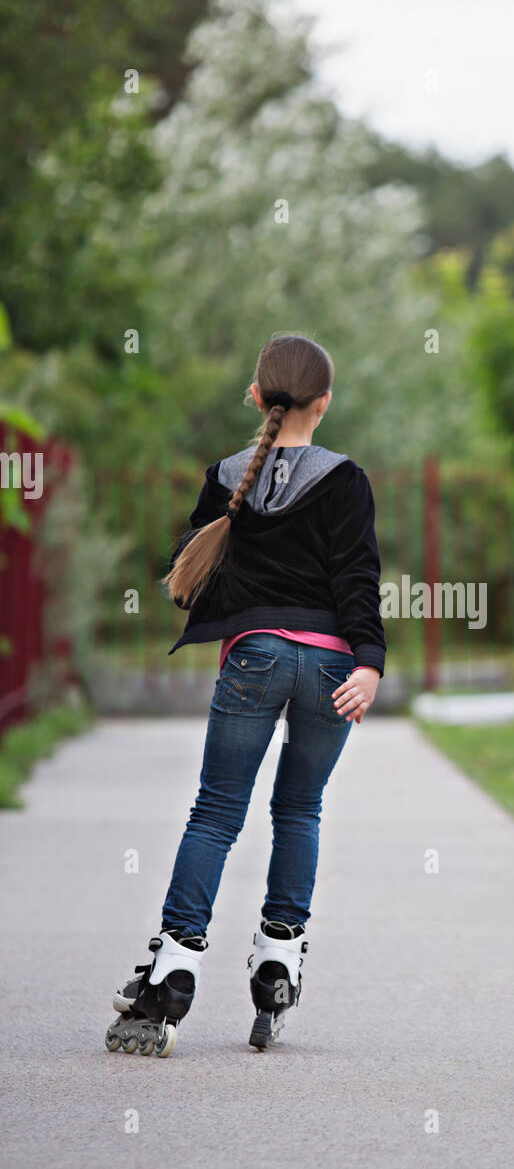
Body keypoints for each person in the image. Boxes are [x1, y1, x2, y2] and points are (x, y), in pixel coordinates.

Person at [104, 333, 385, 1056]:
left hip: (254, 658)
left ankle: (171, 974)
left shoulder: (227, 475)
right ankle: (277, 963)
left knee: (216, 812)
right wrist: (370, 664)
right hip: (331, 668)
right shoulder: (347, 479)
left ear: (257, 397)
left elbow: (193, 576)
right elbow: (357, 578)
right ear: (325, 402)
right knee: (299, 808)